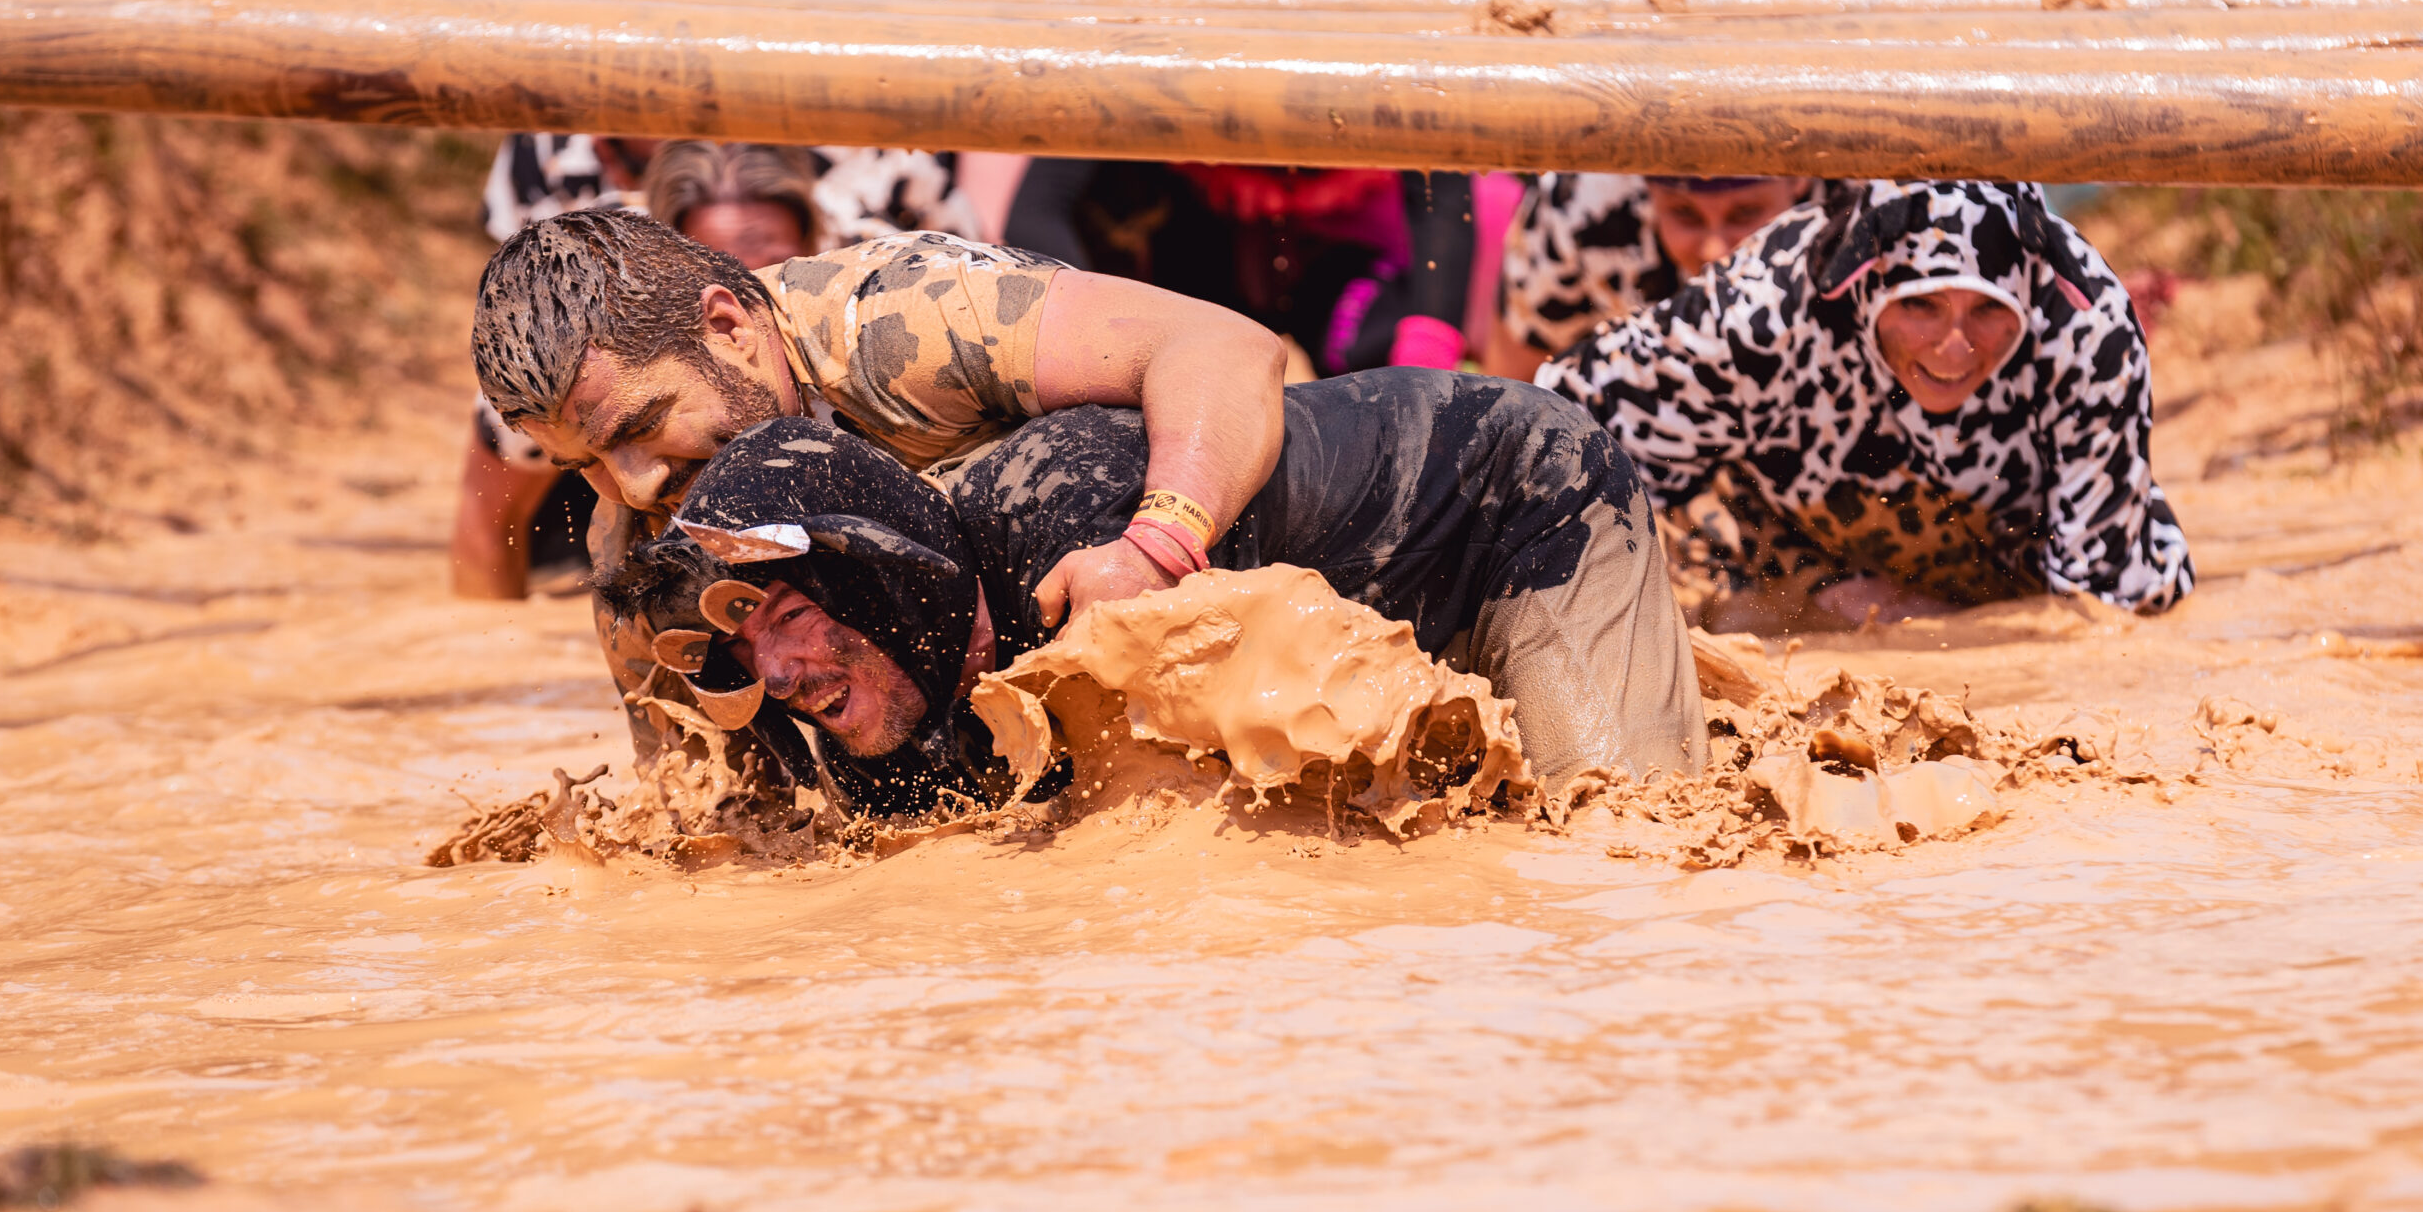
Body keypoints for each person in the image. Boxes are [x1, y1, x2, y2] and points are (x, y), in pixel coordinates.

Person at [599, 367, 1705, 816]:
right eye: (749, 648)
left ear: (887, 580)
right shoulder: (841, 681)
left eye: (789, 618)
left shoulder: (1077, 543)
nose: (778, 673)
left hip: (1515, 503)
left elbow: (1226, 815)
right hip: (1358, 575)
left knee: (1625, 837)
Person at [470, 208, 1291, 733]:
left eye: (646, 426)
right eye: (589, 467)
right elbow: (707, 814)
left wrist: (1155, 549)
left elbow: (1225, 347)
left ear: (726, 326)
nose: (639, 487)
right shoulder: (638, 548)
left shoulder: (903, 321)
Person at [1537, 180, 2194, 633]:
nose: (1954, 348)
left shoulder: (2086, 328)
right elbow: (1558, 419)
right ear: (1865, 285)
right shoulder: (1761, 312)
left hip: (2026, 573)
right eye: (1921, 306)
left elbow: (2105, 615)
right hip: (1814, 572)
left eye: (1990, 311)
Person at [451, 139, 983, 599]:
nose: (750, 283)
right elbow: (487, 527)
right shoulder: (579, 370)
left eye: (769, 265)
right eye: (720, 260)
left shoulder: (890, 288)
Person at [1002, 162, 1482, 375]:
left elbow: (1442, 192)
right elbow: (1037, 210)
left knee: (1393, 380)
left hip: (1334, 263)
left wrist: (1426, 359)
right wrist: (1101, 342)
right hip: (1190, 258)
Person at [1485, 174, 1856, 379]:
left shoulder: (1861, 211)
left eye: (1745, 213)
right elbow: (1514, 383)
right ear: (1648, 189)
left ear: (1799, 179)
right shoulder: (1577, 209)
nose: (1714, 249)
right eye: (1685, 215)